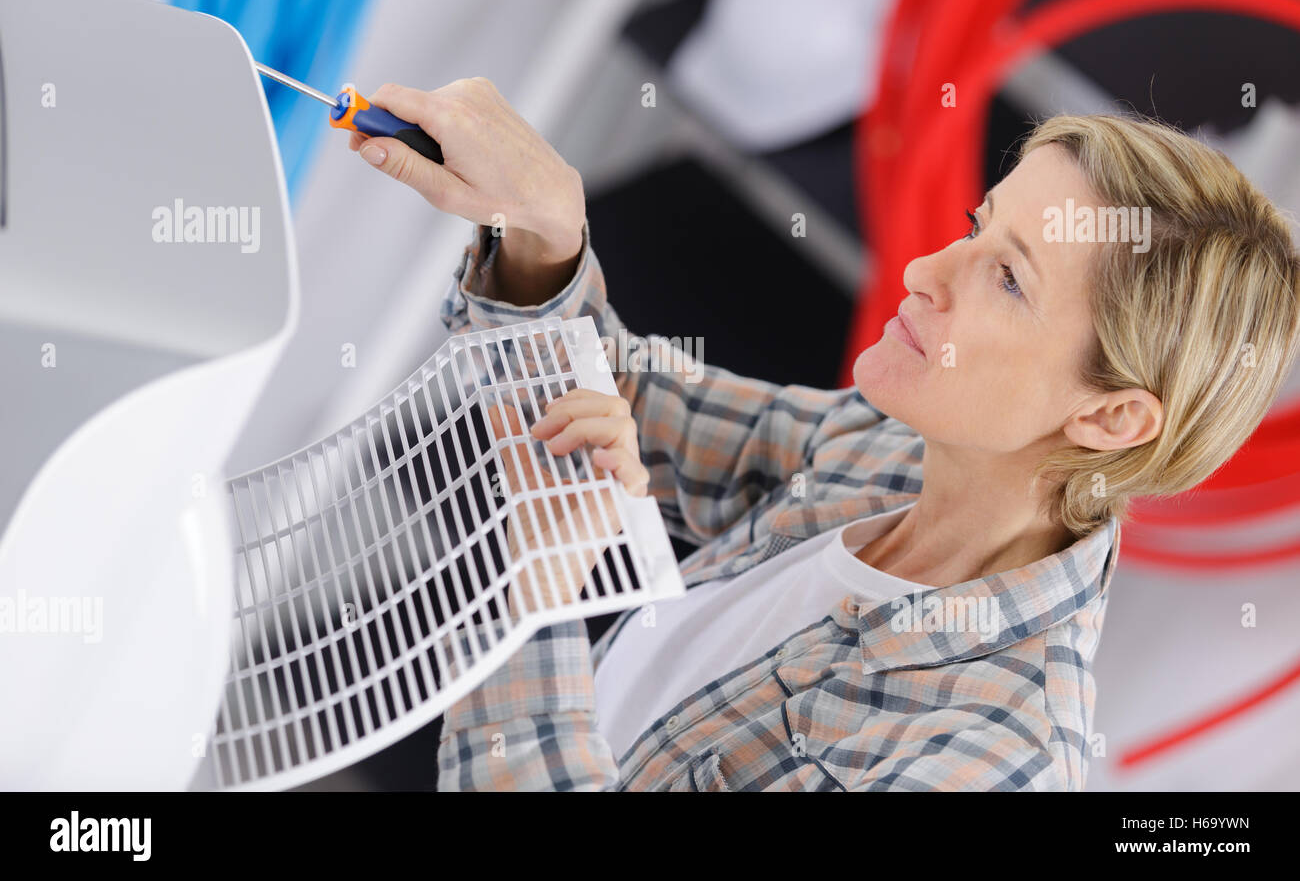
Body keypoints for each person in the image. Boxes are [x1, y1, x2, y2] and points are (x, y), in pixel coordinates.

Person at [348, 78, 1300, 791]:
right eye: (978, 225)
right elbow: (640, 411)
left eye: (1008, 279)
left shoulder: (985, 758)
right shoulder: (889, 452)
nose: (928, 266)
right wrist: (542, 235)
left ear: (1109, 417)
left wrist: (541, 604)